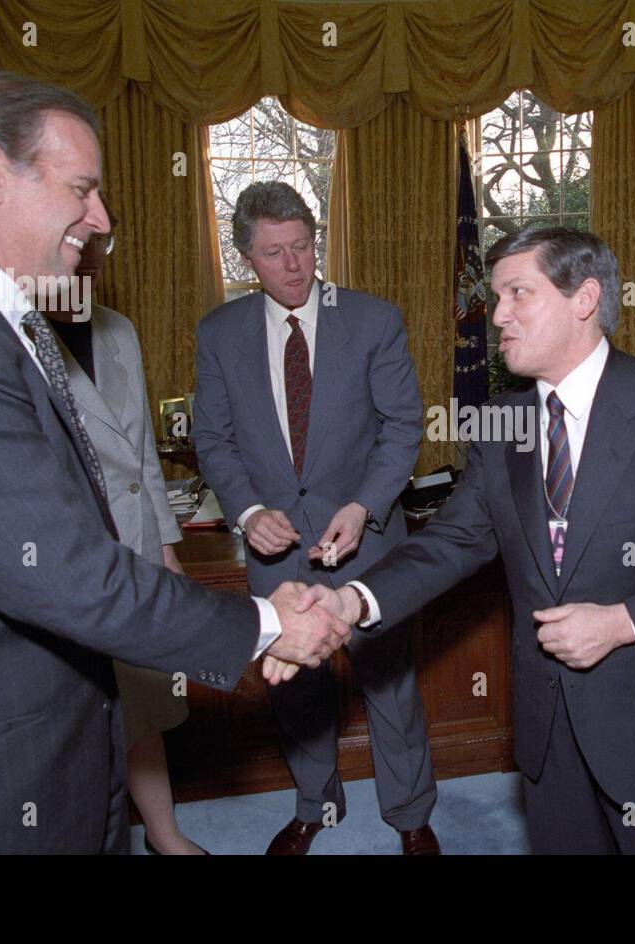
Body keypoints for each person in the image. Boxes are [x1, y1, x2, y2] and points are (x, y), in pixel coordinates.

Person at [0, 73, 348, 853]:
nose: (100, 219)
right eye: (82, 189)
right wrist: (270, 623)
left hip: (43, 753)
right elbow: (65, 573)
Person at [291, 227, 635, 854]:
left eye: (517, 294)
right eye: (497, 297)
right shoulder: (504, 424)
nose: (497, 315)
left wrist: (621, 623)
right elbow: (452, 541)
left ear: (584, 299)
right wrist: (354, 600)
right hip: (550, 734)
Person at [194, 181, 439, 855]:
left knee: (390, 681)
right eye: (274, 252)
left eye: (302, 246)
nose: (294, 264)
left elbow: (402, 424)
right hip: (277, 551)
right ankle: (315, 804)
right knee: (296, 686)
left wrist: (364, 506)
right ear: (247, 258)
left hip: (367, 541)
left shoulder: (372, 319)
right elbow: (212, 438)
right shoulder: (218, 334)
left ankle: (411, 816)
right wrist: (246, 512)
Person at [46, 211, 207, 854]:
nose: (89, 255)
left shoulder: (118, 330)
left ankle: (164, 837)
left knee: (143, 703)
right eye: (75, 239)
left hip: (135, 547)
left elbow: (142, 453)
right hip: (65, 560)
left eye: (99, 243)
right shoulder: (6, 333)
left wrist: (165, 548)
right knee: (72, 719)